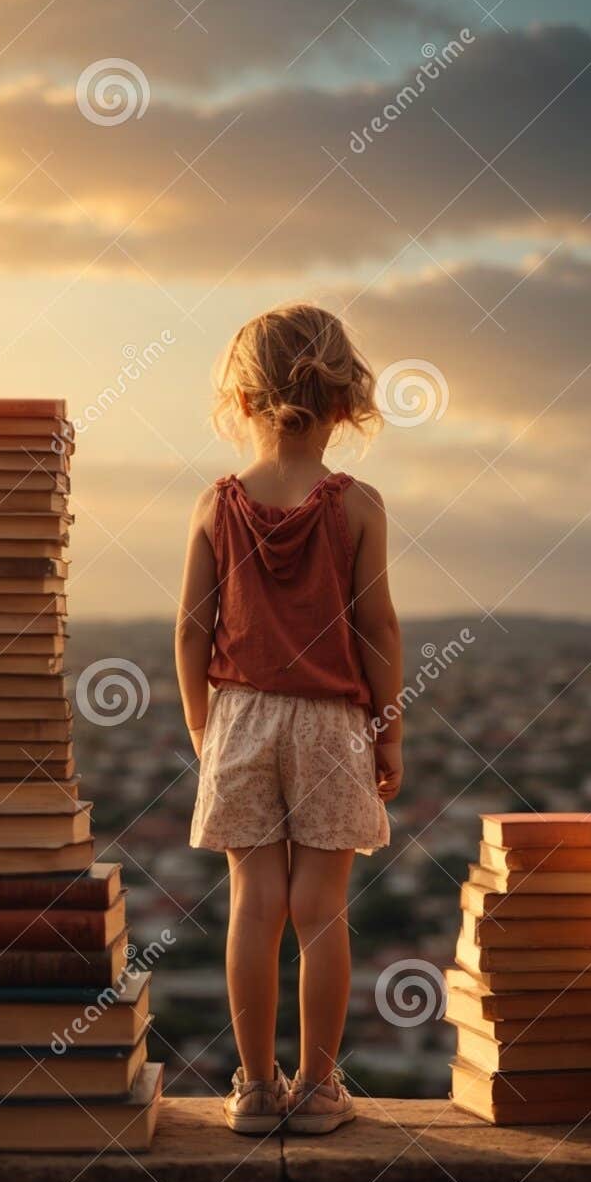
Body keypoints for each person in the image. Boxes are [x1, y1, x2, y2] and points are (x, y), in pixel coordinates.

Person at [175, 303, 403, 1135]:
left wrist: (205, 727)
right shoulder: (357, 506)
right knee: (321, 913)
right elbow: (376, 629)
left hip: (237, 716)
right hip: (332, 726)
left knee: (252, 906)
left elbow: (191, 630)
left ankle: (255, 1087)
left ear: (242, 399)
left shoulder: (215, 503)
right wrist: (389, 730)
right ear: (344, 400)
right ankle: (316, 1090)